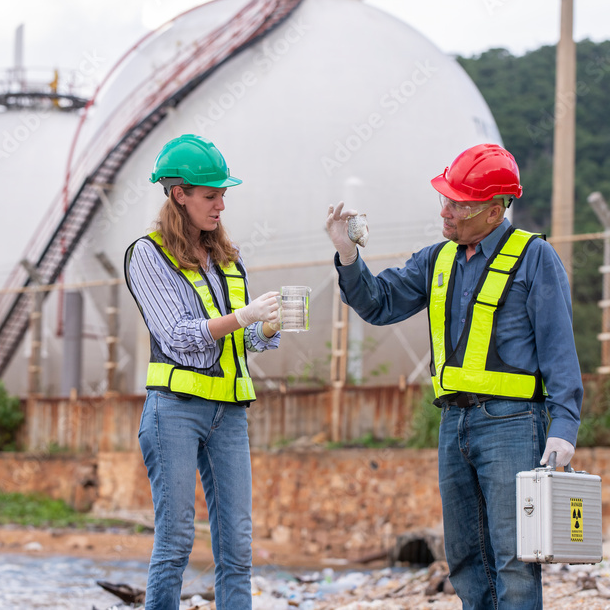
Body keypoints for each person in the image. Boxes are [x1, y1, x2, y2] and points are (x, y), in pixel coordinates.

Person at [324, 144, 583, 610]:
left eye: (459, 203)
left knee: (515, 561)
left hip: (513, 423)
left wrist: (564, 426)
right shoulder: (436, 260)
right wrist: (347, 257)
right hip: (453, 425)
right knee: (465, 559)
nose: (445, 210)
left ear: (494, 209)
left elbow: (560, 350)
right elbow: (379, 304)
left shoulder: (535, 257)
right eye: (444, 198)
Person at [124, 134, 282, 610]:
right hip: (174, 411)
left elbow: (246, 340)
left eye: (222, 195)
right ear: (179, 195)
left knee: (236, 547)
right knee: (174, 543)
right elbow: (178, 336)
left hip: (229, 414)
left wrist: (268, 327)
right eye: (210, 195)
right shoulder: (148, 255)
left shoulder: (230, 261)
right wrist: (243, 317)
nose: (220, 205)